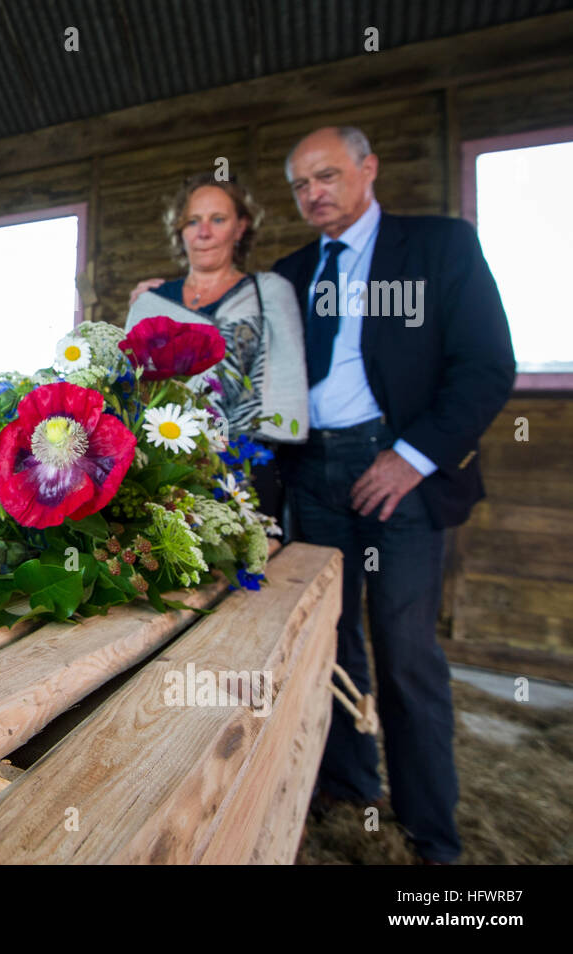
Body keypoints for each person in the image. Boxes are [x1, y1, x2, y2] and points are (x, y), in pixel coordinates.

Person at [271, 125, 515, 864]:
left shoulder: (440, 247)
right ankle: (349, 783)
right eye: (301, 184)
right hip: (313, 474)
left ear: (368, 168)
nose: (315, 192)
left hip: (398, 475)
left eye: (328, 175)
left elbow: (485, 364)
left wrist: (411, 458)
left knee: (406, 649)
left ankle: (431, 832)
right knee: (330, 639)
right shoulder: (287, 274)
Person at [125, 173, 309, 520]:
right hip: (168, 462)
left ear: (240, 228)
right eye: (193, 221)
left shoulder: (268, 292)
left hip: (249, 464)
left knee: (244, 563)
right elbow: (130, 384)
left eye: (218, 219)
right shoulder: (150, 304)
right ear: (180, 231)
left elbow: (289, 379)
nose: (204, 232)